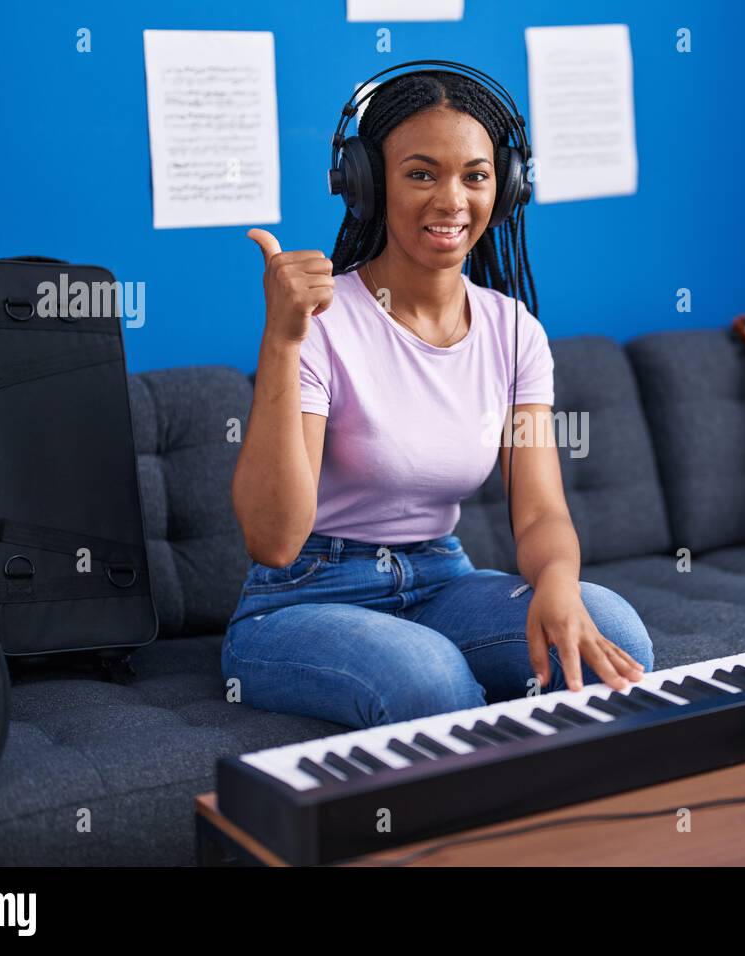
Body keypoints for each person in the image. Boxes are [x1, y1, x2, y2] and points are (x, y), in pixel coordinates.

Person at [223, 69, 654, 729]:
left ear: (505, 189)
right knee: (430, 677)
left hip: (440, 578)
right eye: (421, 174)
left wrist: (559, 587)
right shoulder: (321, 324)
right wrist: (281, 342)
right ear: (369, 183)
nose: (451, 200)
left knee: (613, 634)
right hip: (302, 596)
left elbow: (540, 515)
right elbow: (274, 541)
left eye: (475, 176)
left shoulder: (515, 332)